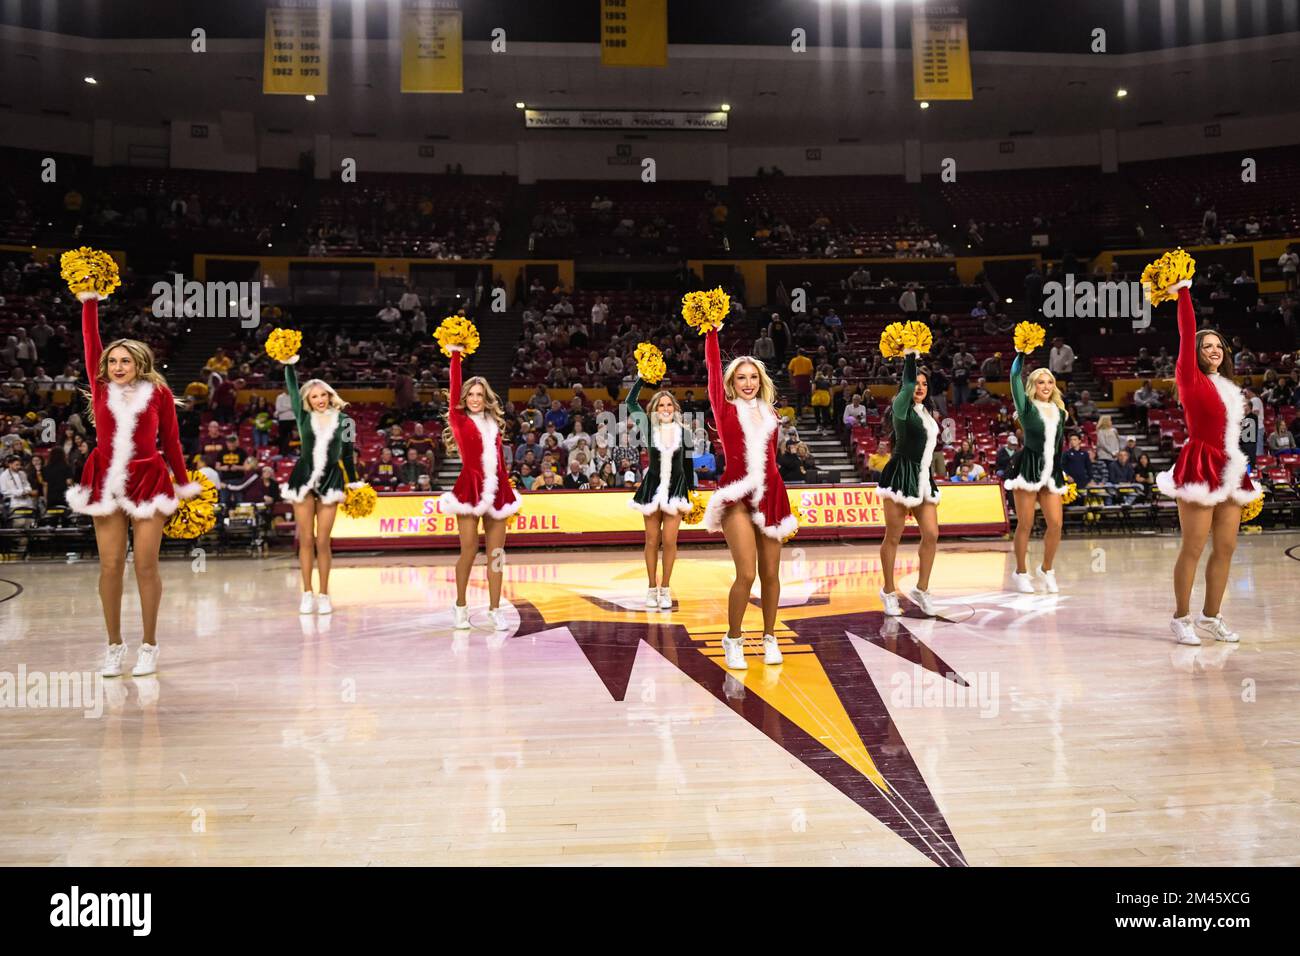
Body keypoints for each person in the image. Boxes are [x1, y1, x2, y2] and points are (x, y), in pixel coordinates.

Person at [65, 282, 201, 678]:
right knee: (110, 567)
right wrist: (89, 299)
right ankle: (113, 645)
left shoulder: (158, 393)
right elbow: (91, 339)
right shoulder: (100, 386)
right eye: (113, 362)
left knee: (145, 565)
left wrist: (184, 483)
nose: (118, 367)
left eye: (125, 361)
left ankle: (149, 645)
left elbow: (172, 442)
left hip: (149, 477)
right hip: (106, 477)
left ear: (140, 364)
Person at [1153, 262, 1259, 645]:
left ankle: (1211, 616)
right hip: (1200, 463)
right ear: (1195, 353)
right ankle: (1181, 617)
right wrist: (1183, 290)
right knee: (1193, 547)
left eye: (1218, 346)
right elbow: (1185, 331)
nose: (1213, 350)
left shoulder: (1228, 386)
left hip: (1231, 466)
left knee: (1227, 547)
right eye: (1206, 345)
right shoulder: (1189, 377)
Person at [701, 320, 795, 671]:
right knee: (747, 574)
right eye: (741, 377)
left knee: (772, 574)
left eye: (753, 377)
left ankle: (770, 637)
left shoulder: (770, 411)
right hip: (737, 496)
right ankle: (734, 639)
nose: (748, 383)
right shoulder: (724, 409)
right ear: (731, 383)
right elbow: (712, 370)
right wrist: (711, 332)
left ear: (761, 381)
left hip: (771, 496)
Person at [438, 335, 522, 632]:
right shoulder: (458, 419)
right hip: (469, 491)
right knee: (469, 551)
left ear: (486, 398)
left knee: (497, 555)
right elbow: (452, 388)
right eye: (470, 394)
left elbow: (499, 460)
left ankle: (496, 609)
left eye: (479, 394)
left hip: (498, 492)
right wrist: (456, 355)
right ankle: (460, 606)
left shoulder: (494, 422)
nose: (474, 398)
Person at [275, 351, 364, 616]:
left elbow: (348, 455)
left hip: (332, 480)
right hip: (303, 478)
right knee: (306, 540)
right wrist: (289, 365)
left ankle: (324, 594)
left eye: (323, 394)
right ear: (308, 400)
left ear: (330, 395)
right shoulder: (302, 417)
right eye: (314, 396)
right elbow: (291, 387)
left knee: (323, 541)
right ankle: (306, 593)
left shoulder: (346, 421)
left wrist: (354, 484)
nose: (320, 399)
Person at [876, 341, 942, 617]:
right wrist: (910, 358)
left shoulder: (927, 413)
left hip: (924, 478)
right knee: (894, 536)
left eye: (924, 384)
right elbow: (905, 385)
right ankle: (888, 591)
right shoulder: (901, 407)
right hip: (900, 475)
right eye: (916, 382)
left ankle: (921, 589)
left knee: (932, 534)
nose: (919, 387)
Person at [624, 370, 695, 610]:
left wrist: (692, 494)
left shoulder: (685, 433)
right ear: (654, 409)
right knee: (652, 540)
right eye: (661, 404)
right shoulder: (647, 426)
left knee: (670, 540)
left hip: (676, 489)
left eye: (669, 404)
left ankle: (665, 588)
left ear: (674, 408)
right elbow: (630, 402)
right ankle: (651, 588)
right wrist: (643, 377)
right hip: (652, 488)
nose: (665, 408)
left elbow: (687, 465)